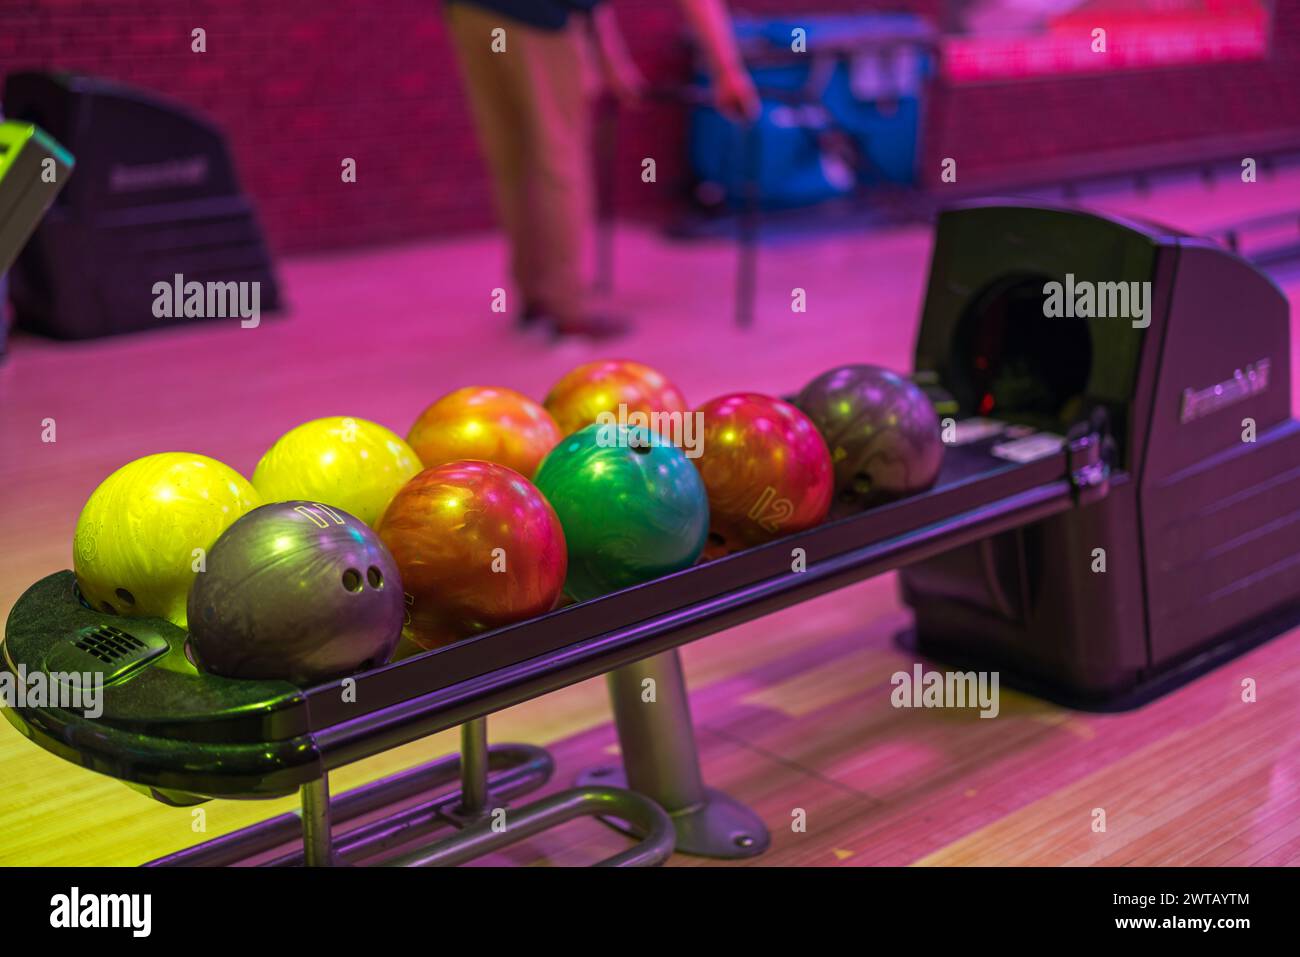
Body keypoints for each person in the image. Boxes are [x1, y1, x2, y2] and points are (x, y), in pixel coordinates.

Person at [444, 0, 759, 339]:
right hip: (539, 19)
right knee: (558, 161)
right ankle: (567, 309)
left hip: (471, 12)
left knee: (513, 159)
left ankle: (534, 296)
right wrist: (727, 71)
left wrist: (611, 60)